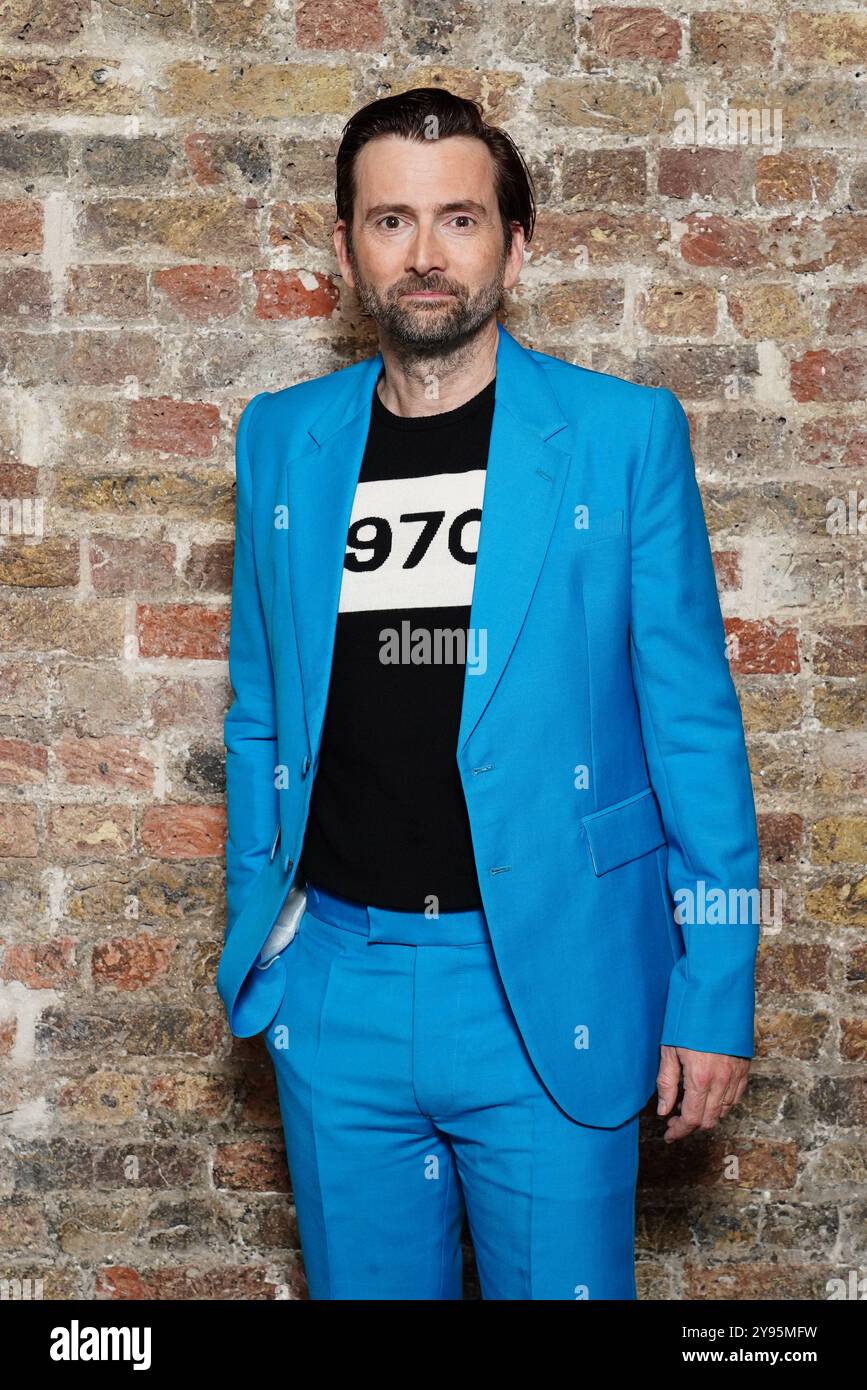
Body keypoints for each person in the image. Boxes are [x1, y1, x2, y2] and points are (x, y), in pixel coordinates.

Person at [216, 87, 761, 1300]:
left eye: (459, 218)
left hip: (547, 982)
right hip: (338, 983)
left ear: (516, 243)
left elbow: (696, 734)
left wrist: (715, 987)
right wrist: (274, 935)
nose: (424, 255)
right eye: (390, 221)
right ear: (349, 247)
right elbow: (261, 708)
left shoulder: (623, 438)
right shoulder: (280, 438)